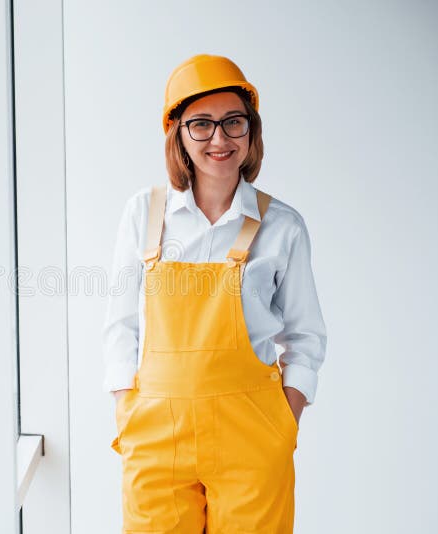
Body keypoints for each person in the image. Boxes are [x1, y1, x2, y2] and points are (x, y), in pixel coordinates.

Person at [102, 54, 328, 533]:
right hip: (155, 439)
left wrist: (283, 425)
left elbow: (305, 337)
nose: (219, 139)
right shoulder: (143, 214)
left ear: (252, 131)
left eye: (233, 122)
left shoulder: (282, 227)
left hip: (251, 440)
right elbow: (120, 326)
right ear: (178, 134)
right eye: (201, 124)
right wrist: (127, 411)